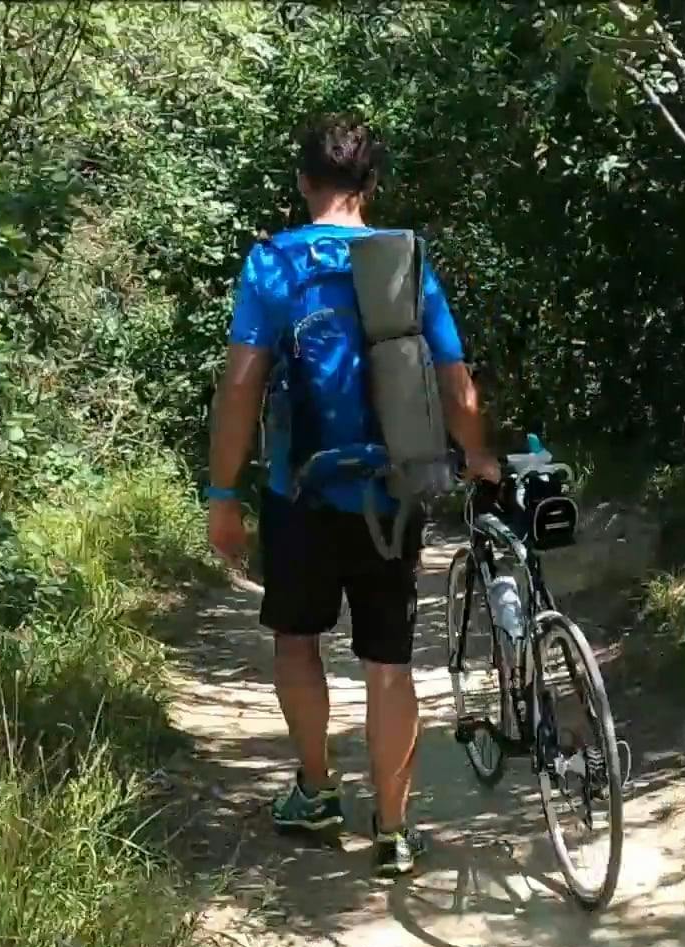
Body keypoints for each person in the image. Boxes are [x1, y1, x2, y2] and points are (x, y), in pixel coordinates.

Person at [203, 113, 499, 877]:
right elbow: (452, 378)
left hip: (297, 490)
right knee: (388, 661)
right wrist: (476, 456)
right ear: (372, 185)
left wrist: (222, 494)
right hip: (393, 492)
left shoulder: (271, 264)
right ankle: (395, 831)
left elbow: (241, 386)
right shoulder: (403, 260)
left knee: (298, 640)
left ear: (304, 181)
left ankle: (316, 789)